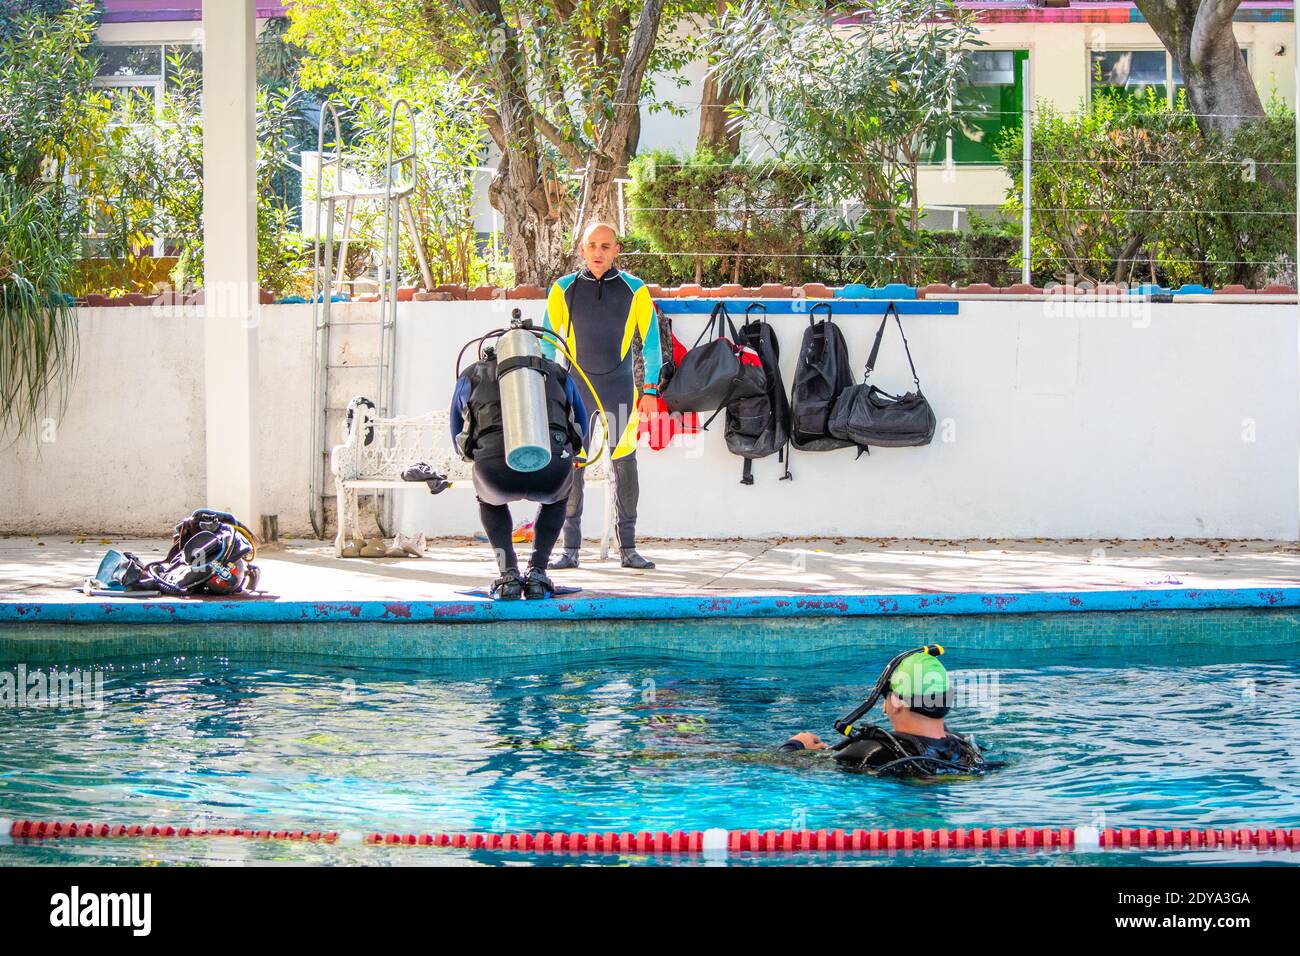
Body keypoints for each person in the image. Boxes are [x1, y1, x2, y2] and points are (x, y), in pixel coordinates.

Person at [541, 222, 660, 570]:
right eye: (592, 245)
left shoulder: (634, 290)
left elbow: (651, 344)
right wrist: (549, 387)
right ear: (582, 249)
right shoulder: (563, 289)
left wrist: (650, 389)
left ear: (616, 250)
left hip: (619, 390)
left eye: (605, 246)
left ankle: (629, 548)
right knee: (572, 465)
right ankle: (570, 549)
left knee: (625, 466)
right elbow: (547, 341)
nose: (598, 252)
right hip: (575, 392)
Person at [451, 339, 588, 600]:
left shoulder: (471, 373)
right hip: (551, 470)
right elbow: (581, 425)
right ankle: (537, 574)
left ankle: (508, 576)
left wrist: (476, 455)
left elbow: (456, 428)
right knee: (557, 498)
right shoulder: (559, 372)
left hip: (495, 473)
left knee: (489, 501)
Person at [780, 648, 987, 778]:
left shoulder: (872, 752)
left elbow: (784, 768)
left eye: (884, 697)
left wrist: (795, 746)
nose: (883, 707)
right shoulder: (966, 749)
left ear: (896, 702)